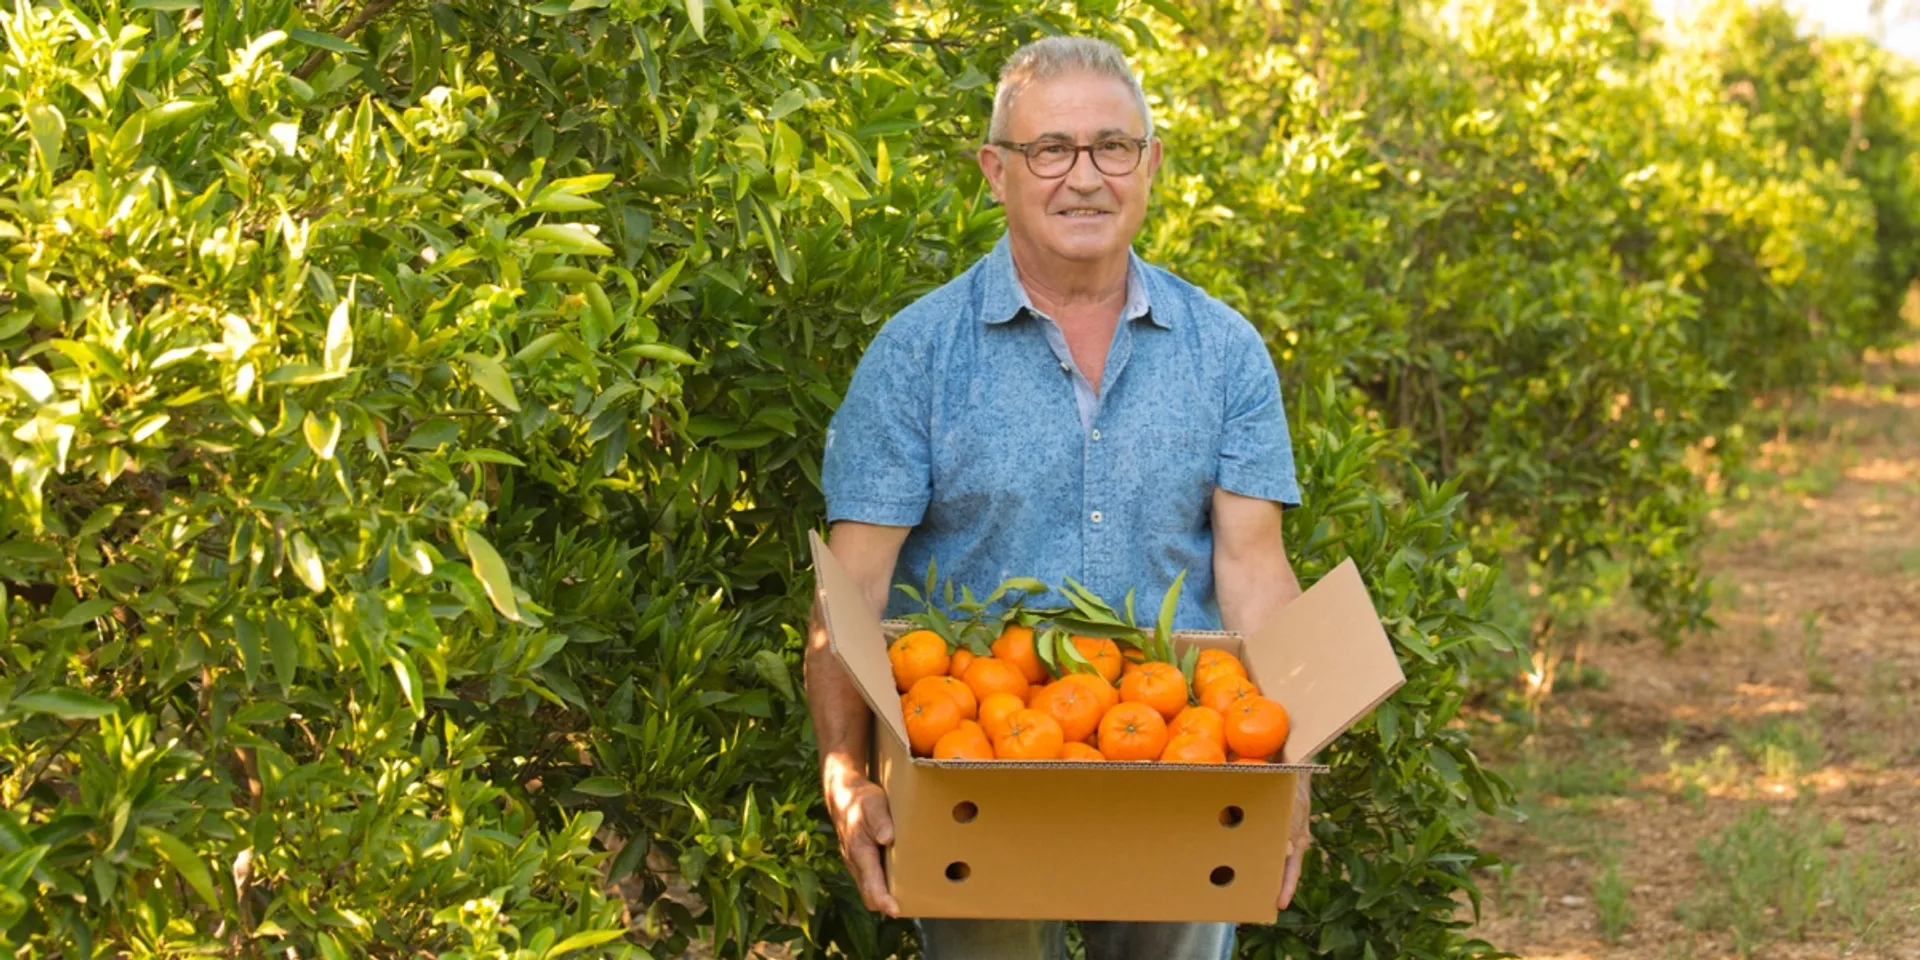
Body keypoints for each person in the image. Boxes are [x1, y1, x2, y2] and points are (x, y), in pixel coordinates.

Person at [805, 34, 1308, 960]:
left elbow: (1253, 568)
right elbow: (852, 592)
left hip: (1184, 757)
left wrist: (1288, 775)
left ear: (1150, 164)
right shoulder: (917, 355)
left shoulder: (1224, 351)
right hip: (970, 763)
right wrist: (846, 770)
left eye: (1113, 147)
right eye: (1051, 150)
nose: (1086, 177)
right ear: (996, 172)